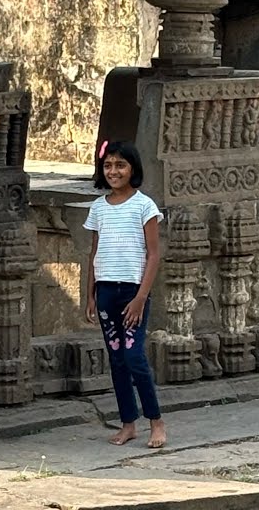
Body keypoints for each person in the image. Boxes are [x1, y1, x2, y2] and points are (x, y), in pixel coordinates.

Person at [83, 139, 167, 449]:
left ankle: (156, 422)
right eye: (108, 165)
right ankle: (128, 423)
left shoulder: (144, 206)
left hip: (134, 294)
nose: (114, 171)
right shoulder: (98, 208)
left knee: (134, 357)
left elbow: (153, 255)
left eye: (120, 165)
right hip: (106, 292)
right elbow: (94, 254)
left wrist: (142, 297)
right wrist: (90, 296)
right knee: (117, 359)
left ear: (133, 169)